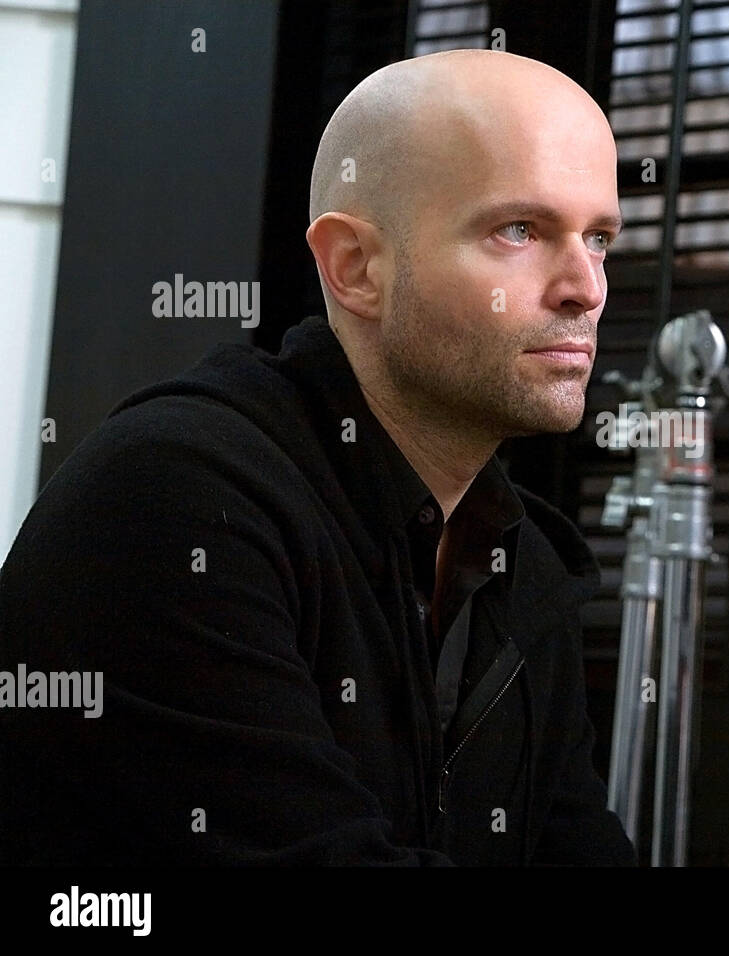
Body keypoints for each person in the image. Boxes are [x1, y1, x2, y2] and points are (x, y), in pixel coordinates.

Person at [0, 50, 636, 866]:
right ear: (354, 267)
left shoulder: (519, 561)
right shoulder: (176, 498)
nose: (586, 287)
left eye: (601, 239)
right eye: (520, 230)